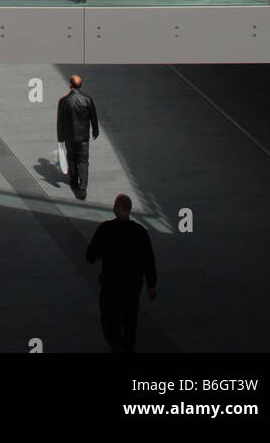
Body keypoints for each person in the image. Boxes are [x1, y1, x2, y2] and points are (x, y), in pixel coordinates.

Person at [86, 194, 157, 354]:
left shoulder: (106, 229)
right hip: (133, 284)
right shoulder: (140, 232)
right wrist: (152, 285)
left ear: (117, 208)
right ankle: (128, 347)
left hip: (111, 283)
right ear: (129, 210)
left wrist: (98, 254)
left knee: (110, 316)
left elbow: (90, 256)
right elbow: (148, 260)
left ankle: (115, 344)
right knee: (130, 317)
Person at [57, 73, 99, 200]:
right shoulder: (87, 99)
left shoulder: (64, 101)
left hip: (70, 136)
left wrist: (60, 137)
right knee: (83, 160)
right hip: (83, 136)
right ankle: (83, 187)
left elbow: (60, 121)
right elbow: (93, 116)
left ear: (70, 85)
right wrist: (95, 130)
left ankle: (74, 180)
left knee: (72, 158)